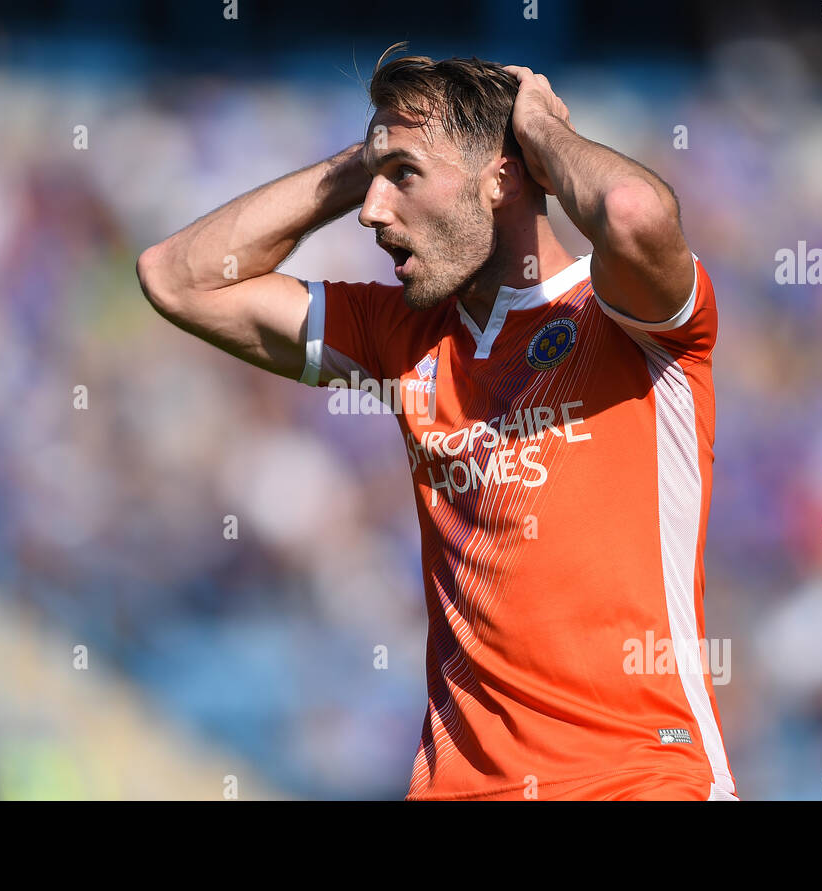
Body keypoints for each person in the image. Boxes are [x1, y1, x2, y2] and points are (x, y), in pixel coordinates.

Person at [137, 43, 737, 801]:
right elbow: (177, 278)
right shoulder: (403, 336)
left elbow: (631, 212)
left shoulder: (626, 317)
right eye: (374, 180)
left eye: (405, 176)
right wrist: (365, 160)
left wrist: (541, 132)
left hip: (637, 782)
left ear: (502, 177)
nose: (370, 211)